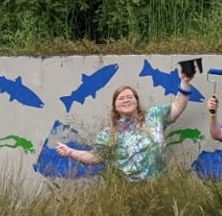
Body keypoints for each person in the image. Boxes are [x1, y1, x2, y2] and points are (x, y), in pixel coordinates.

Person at [54, 73, 194, 182]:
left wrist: (185, 82)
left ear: (136, 102)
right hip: (128, 192)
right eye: (121, 98)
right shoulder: (108, 134)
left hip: (160, 186)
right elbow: (95, 157)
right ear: (115, 106)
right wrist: (71, 152)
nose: (126, 100)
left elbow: (177, 106)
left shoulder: (154, 116)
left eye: (130, 97)